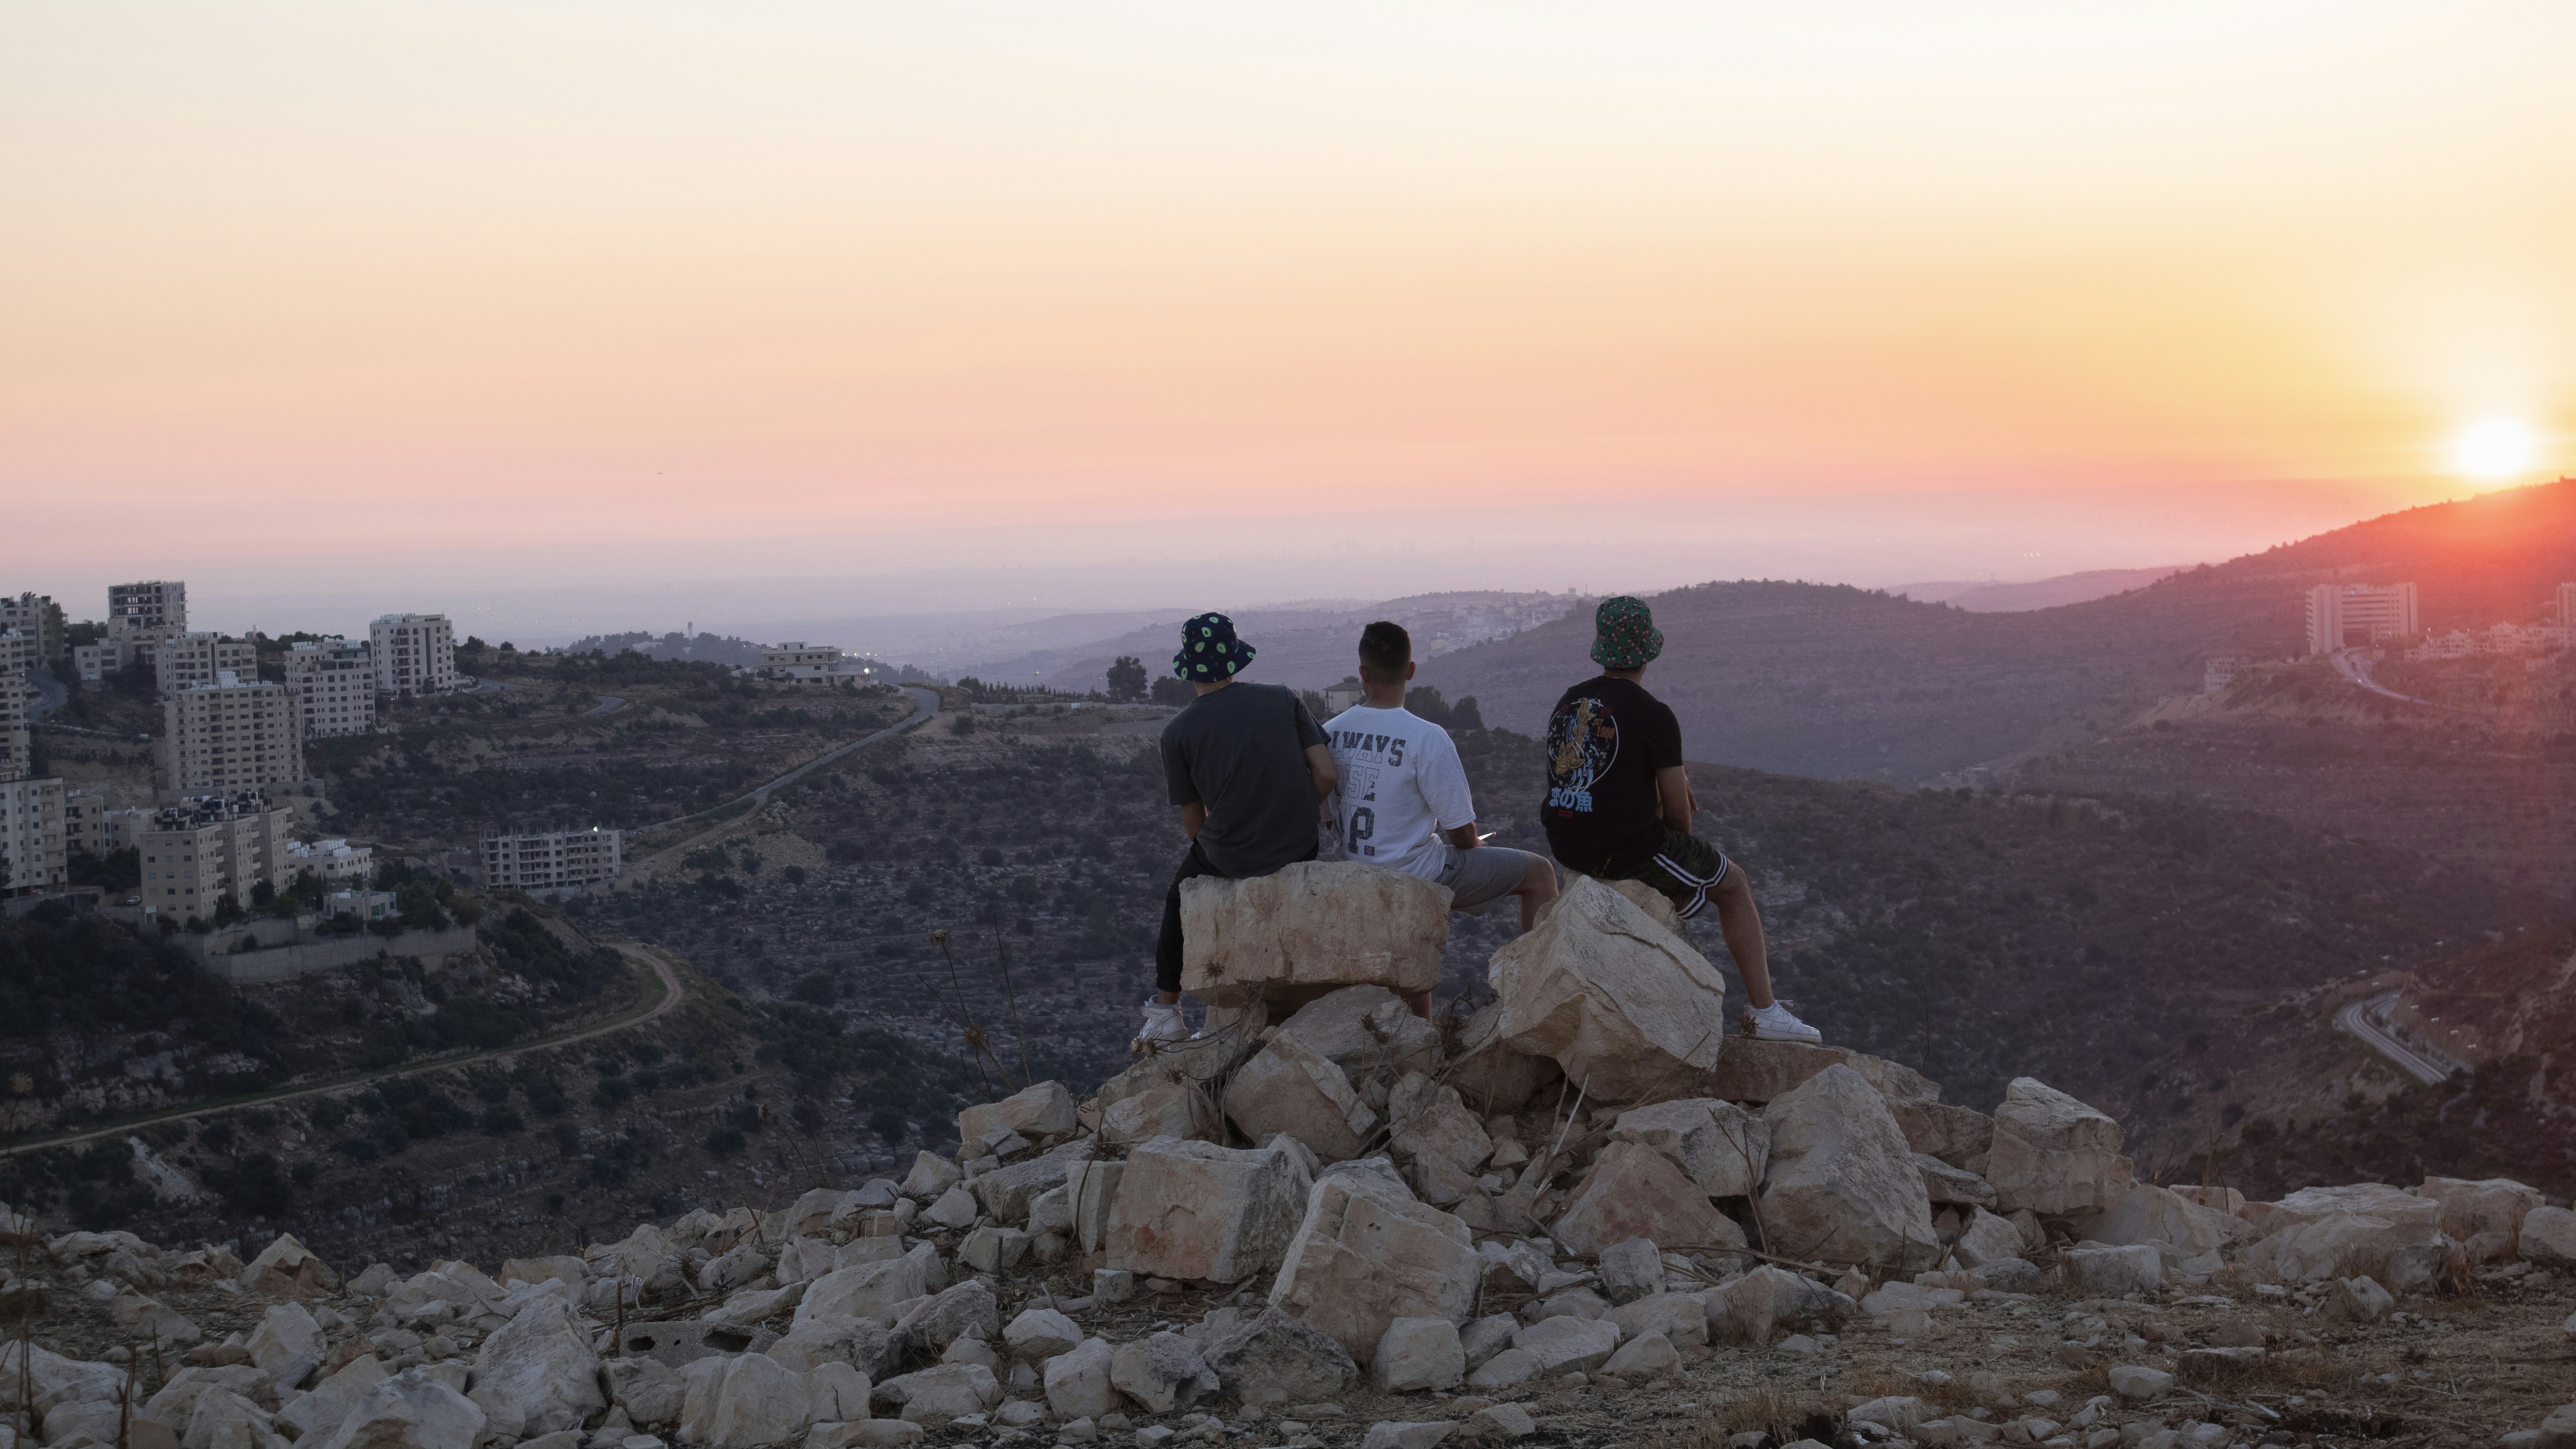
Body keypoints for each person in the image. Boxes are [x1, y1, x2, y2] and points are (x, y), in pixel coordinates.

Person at [1541, 595, 1824, 1044]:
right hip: (1618, 851)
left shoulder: (1571, 700)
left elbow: (1587, 779)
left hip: (1565, 842)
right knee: (1734, 886)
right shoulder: (1653, 714)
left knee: (1677, 866)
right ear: (1649, 651)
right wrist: (1667, 801)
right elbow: (1680, 818)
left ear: (1602, 649)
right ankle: (1765, 1011)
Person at [1324, 621, 1558, 1019]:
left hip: (1356, 875)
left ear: (1363, 673)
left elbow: (1330, 818)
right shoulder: (1427, 738)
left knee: (1412, 962)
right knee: (1539, 874)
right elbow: (1462, 833)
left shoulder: (1329, 733)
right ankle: (1547, 991)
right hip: (1419, 875)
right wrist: (1478, 848)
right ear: (1411, 671)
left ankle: (1419, 1038)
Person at [1142, 611, 1338, 1044]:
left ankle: (1165, 1011)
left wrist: (1230, 836)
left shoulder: (1178, 733)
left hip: (1228, 853)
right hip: (1300, 844)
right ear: (1234, 658)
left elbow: (1194, 821)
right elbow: (1325, 774)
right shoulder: (1282, 699)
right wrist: (1296, 816)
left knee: (1178, 898)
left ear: (1189, 666)